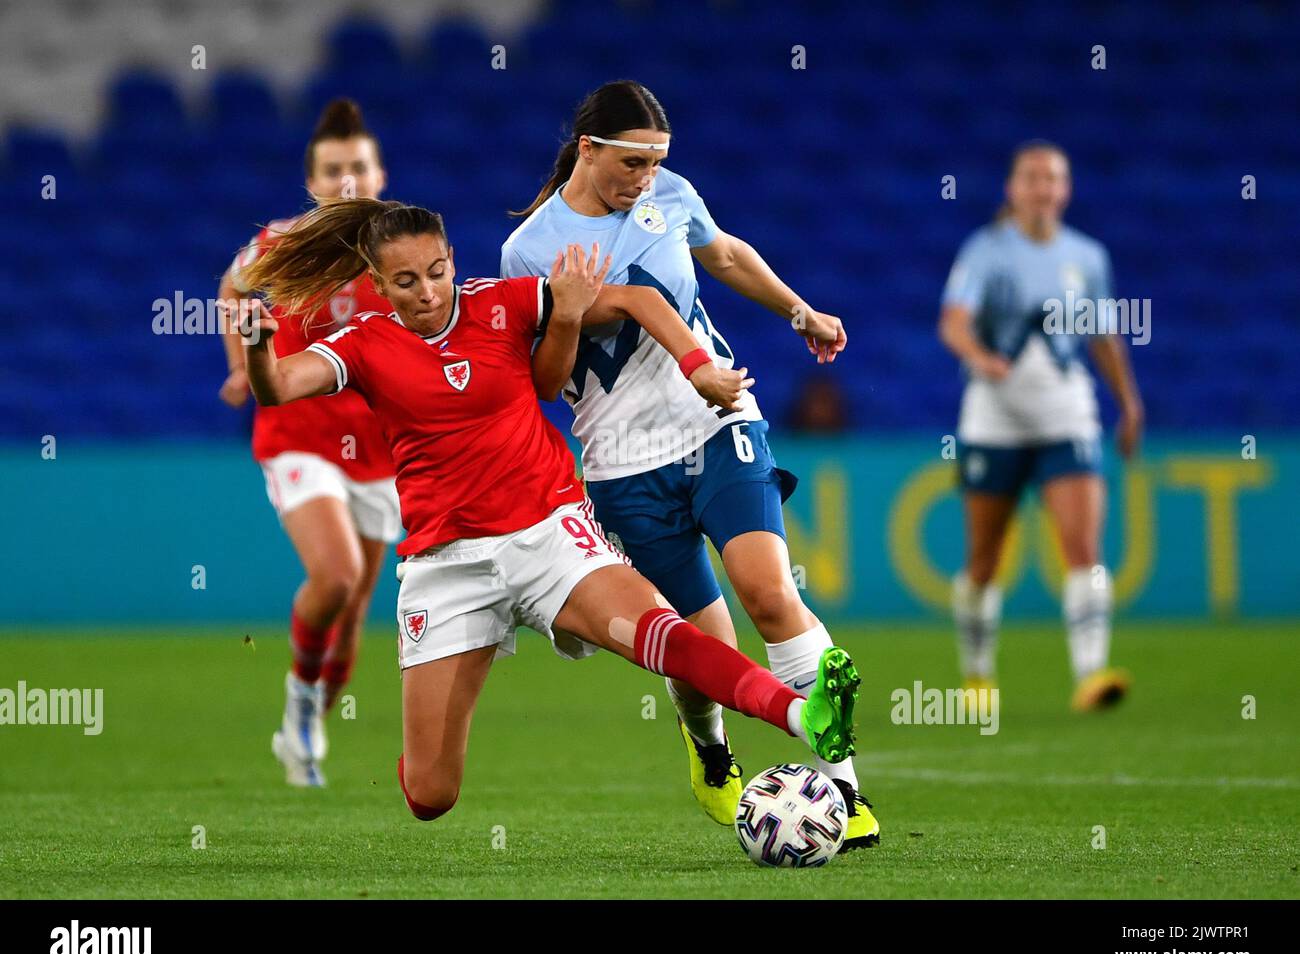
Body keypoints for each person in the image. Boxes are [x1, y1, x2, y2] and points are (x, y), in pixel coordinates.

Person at [225, 198, 860, 823]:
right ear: (378, 284)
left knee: (666, 637)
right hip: (447, 565)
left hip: (548, 534)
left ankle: (802, 715)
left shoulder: (505, 302)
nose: (427, 292)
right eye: (406, 281)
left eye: (437, 272)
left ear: (453, 260)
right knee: (430, 795)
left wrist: (693, 365)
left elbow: (638, 300)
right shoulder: (363, 344)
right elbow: (277, 387)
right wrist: (259, 347)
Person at [501, 80, 878, 848]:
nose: (645, 178)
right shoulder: (528, 250)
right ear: (589, 149)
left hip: (717, 418)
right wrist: (567, 312)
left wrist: (800, 310)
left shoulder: (669, 193)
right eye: (632, 163)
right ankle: (711, 751)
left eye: (656, 163)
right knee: (705, 648)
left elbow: (727, 255)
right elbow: (544, 380)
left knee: (770, 594)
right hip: (622, 461)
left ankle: (844, 786)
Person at [217, 99, 398, 787]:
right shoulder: (281, 244)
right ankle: (298, 697)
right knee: (337, 574)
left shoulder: (401, 251)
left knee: (352, 619)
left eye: (358, 167)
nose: (347, 181)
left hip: (378, 452)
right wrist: (242, 364)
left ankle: (309, 720)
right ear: (312, 180)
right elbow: (233, 287)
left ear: (379, 172)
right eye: (333, 170)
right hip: (299, 436)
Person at [938, 140, 1143, 712]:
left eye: (1053, 178)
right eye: (1032, 177)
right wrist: (979, 358)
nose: (1043, 187)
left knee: (1082, 545)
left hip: (1065, 408)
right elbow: (953, 322)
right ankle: (977, 675)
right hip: (995, 413)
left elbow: (1103, 336)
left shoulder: (1088, 256)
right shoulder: (985, 250)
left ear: (1066, 189)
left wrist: (1128, 402)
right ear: (1013, 187)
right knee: (985, 556)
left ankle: (1091, 674)